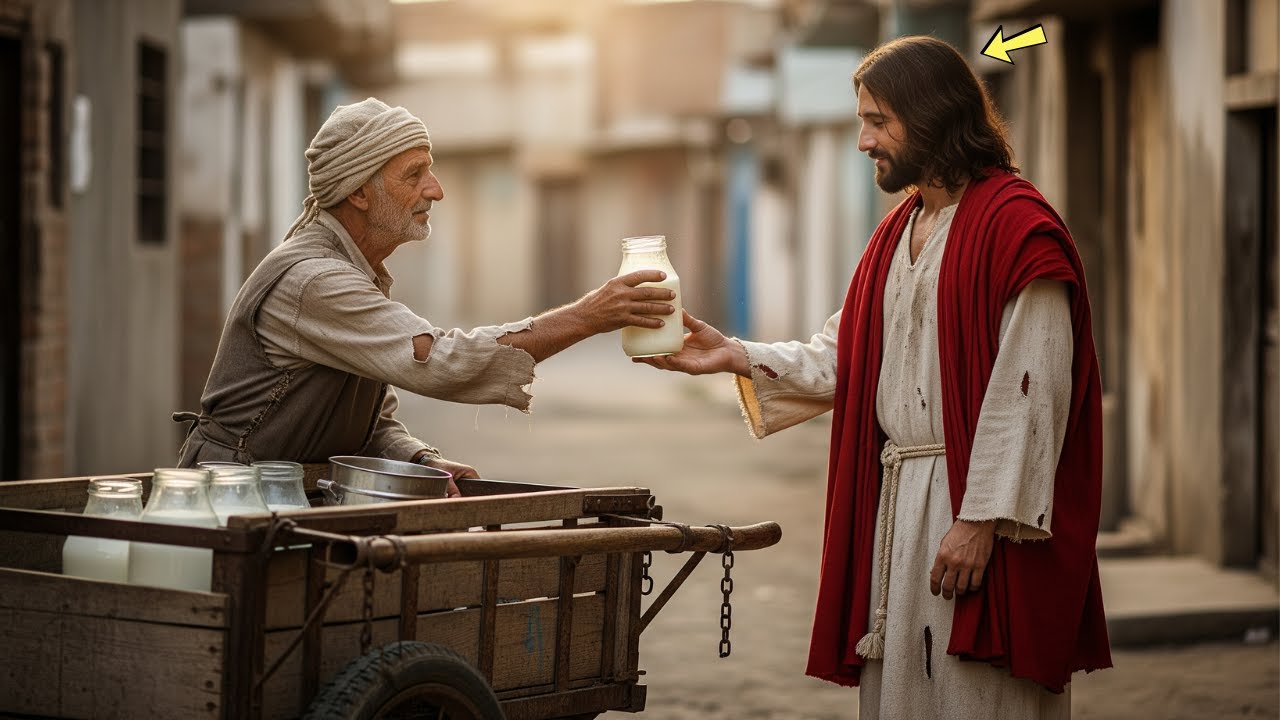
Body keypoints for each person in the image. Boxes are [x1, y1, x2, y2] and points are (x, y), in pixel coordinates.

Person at [637, 36, 1110, 718]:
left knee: (979, 695)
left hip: (979, 506)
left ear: (932, 115)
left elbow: (1031, 394)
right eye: (863, 121)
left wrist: (979, 521)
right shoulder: (897, 234)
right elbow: (847, 357)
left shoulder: (1016, 228)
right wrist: (735, 354)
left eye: (878, 121)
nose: (864, 141)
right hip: (901, 506)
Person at [174, 98, 676, 497]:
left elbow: (371, 422)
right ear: (359, 192)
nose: (435, 190)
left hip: (289, 495)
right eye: (413, 175)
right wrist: (586, 316)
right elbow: (440, 360)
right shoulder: (315, 279)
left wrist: (419, 459)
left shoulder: (356, 270)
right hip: (233, 500)